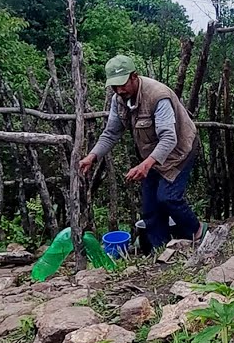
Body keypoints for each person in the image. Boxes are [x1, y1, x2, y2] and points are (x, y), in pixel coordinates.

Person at [79, 55, 206, 250]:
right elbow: (111, 132)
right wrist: (92, 156)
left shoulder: (158, 95)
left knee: (168, 197)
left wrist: (145, 165)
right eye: (114, 86)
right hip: (151, 155)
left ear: (134, 77)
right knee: (150, 208)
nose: (119, 90)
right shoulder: (118, 100)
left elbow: (169, 139)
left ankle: (199, 233)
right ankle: (162, 249)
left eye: (122, 85)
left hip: (180, 150)